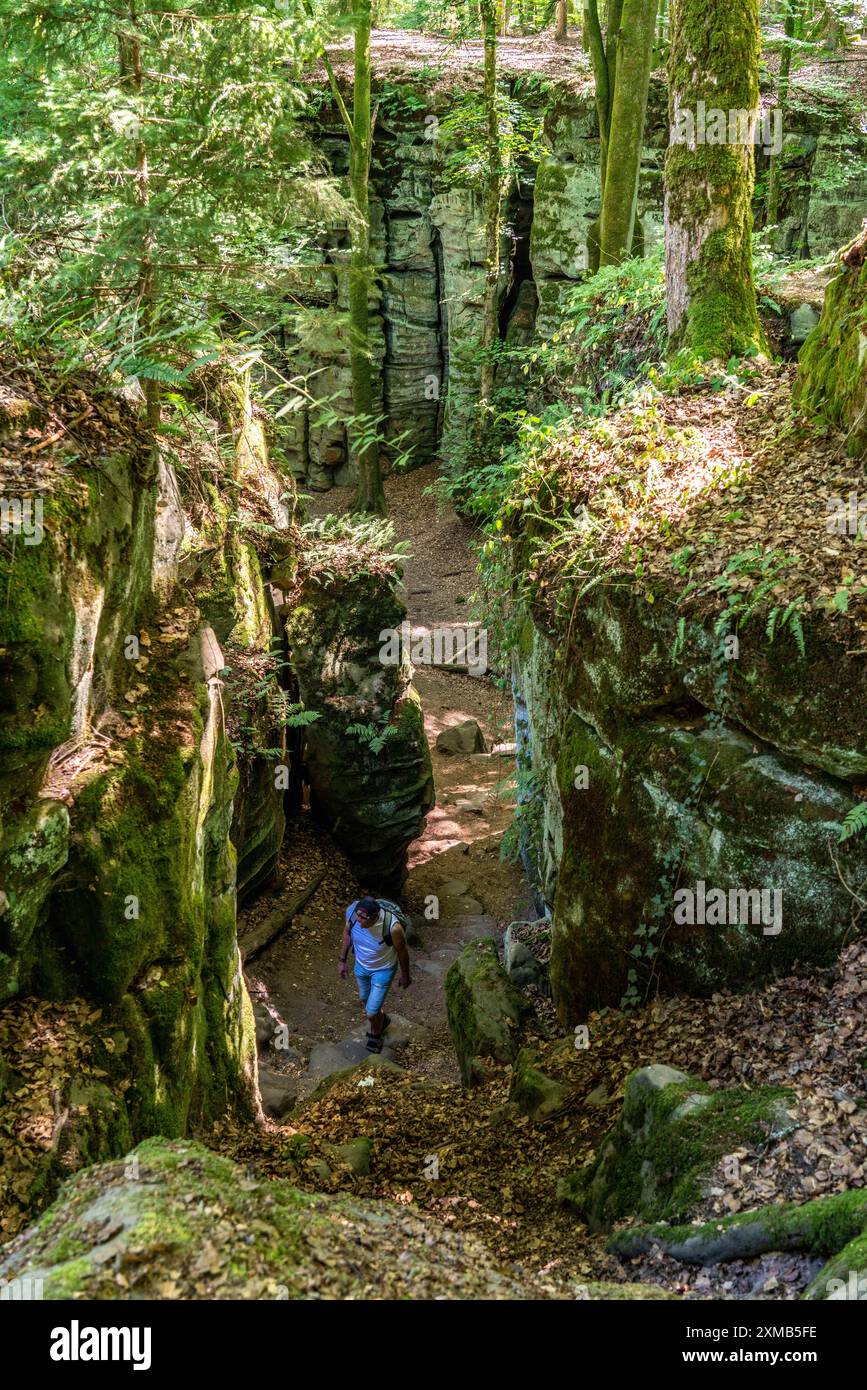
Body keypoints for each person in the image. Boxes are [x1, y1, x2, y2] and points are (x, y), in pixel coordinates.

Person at [338, 895, 411, 1053]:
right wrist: (342, 960)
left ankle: (376, 1034)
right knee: (365, 999)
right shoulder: (352, 913)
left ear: (375, 918)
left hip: (383, 970)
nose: (359, 920)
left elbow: (403, 952)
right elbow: (347, 933)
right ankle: (382, 1020)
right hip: (361, 966)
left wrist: (405, 975)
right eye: (357, 916)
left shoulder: (392, 928)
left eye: (363, 918)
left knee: (371, 1012)